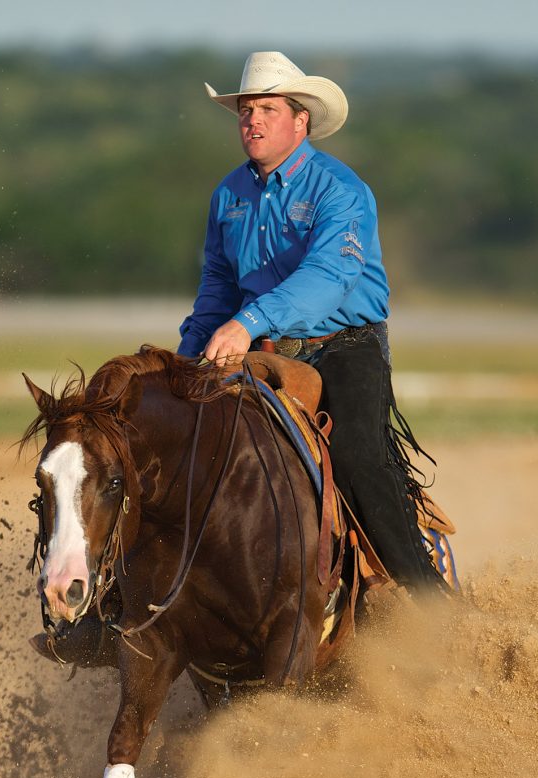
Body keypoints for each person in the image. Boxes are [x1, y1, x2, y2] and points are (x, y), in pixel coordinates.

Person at [179, 51, 445, 594]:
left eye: (267, 110)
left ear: (301, 121)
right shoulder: (228, 195)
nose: (252, 121)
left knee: (357, 457)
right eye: (245, 111)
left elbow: (330, 276)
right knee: (184, 445)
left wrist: (247, 322)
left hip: (344, 343)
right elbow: (217, 287)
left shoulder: (339, 189)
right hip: (261, 346)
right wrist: (184, 362)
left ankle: (428, 599)